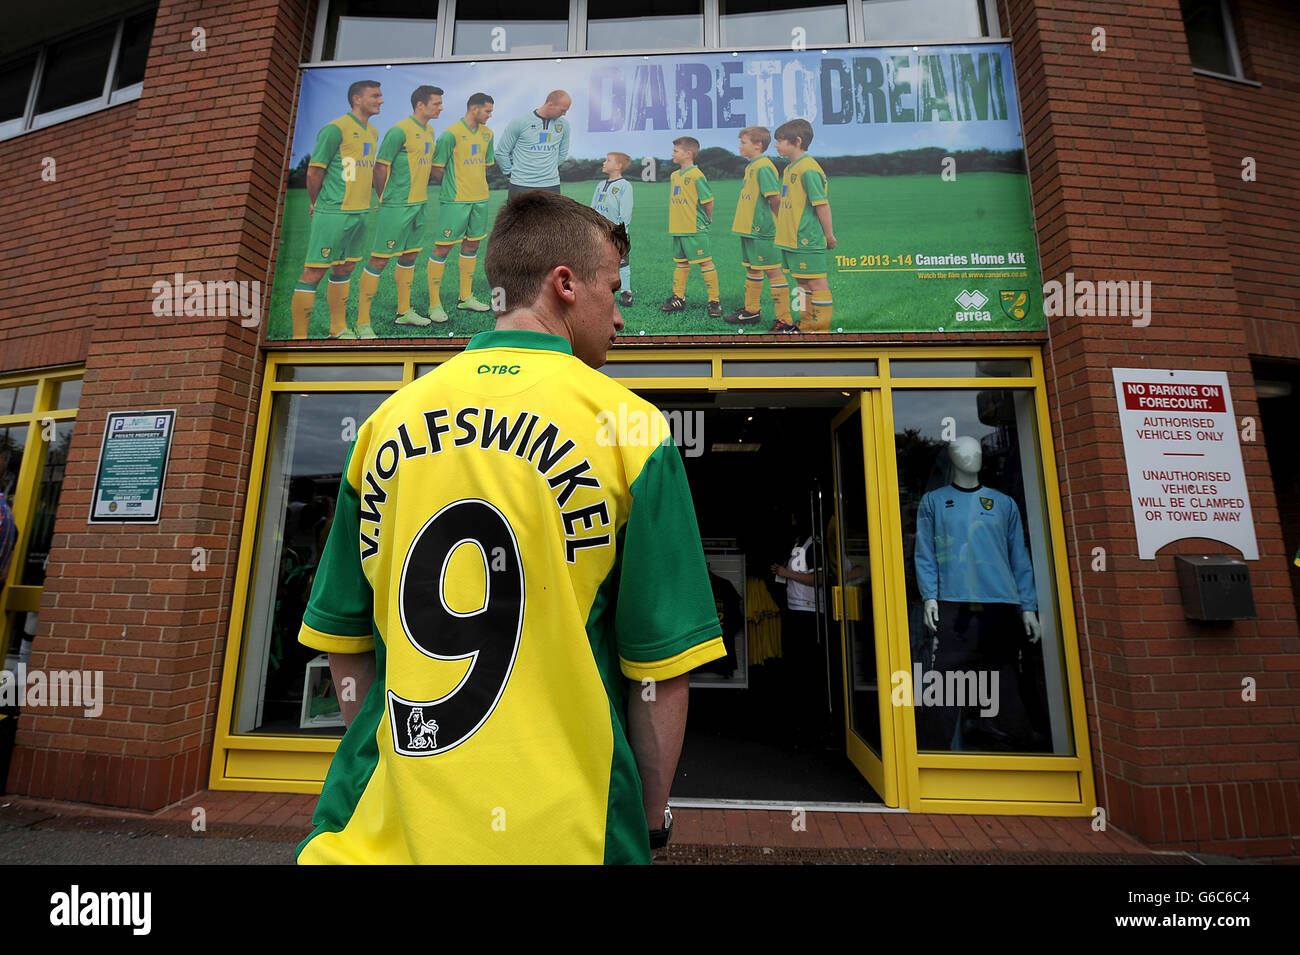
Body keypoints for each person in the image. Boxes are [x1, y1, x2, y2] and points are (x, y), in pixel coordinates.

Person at [295, 190, 725, 865]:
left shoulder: (385, 423)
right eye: (612, 287)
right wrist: (649, 819)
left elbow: (344, 641)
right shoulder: (631, 429)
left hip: (375, 840)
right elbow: (661, 671)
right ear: (563, 284)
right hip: (564, 838)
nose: (620, 311)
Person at [291, 80, 383, 340]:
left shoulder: (373, 132)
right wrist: (316, 202)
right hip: (334, 212)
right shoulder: (335, 129)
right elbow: (314, 170)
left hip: (361, 213)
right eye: (375, 95)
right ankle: (299, 339)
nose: (381, 100)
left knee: (344, 269)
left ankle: (338, 328)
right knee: (314, 270)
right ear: (357, 99)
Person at [355, 85, 444, 334]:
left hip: (420, 205)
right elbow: (380, 166)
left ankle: (404, 312)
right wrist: (385, 198)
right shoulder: (399, 131)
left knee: (410, 257)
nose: (441, 107)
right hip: (397, 205)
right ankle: (363, 323)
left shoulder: (429, 131)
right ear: (420, 105)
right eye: (436, 103)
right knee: (379, 259)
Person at [427, 92, 496, 324]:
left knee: (472, 245)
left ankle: (465, 297)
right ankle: (434, 304)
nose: (489, 115)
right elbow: (437, 169)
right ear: (474, 108)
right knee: (442, 249)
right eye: (487, 110)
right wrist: (453, 187)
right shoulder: (450, 135)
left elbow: (485, 167)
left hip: (480, 199)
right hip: (455, 201)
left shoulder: (488, 134)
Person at [773, 118, 836, 334]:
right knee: (802, 284)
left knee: (817, 283)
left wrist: (829, 235)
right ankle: (806, 326)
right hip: (791, 239)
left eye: (780, 141)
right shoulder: (790, 168)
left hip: (807, 237)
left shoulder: (809, 169)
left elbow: (822, 206)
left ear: (797, 141)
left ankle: (820, 331)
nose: (776, 145)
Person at [725, 126, 790, 328]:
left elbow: (774, 198)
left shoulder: (764, 166)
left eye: (743, 142)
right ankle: (751, 311)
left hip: (763, 231)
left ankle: (785, 320)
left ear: (758, 145)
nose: (740, 146)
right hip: (749, 230)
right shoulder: (752, 166)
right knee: (753, 269)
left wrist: (783, 225)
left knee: (773, 271)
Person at [660, 136, 722, 319]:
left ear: (688, 154)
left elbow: (708, 201)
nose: (673, 154)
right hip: (678, 228)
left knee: (705, 262)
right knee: (681, 263)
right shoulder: (674, 176)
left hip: (694, 227)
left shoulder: (696, 175)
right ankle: (678, 298)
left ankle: (714, 301)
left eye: (676, 151)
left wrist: (707, 219)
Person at [496, 90, 572, 200]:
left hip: (551, 185)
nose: (564, 114)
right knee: (519, 218)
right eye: (563, 110)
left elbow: (562, 153)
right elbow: (501, 152)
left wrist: (547, 170)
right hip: (521, 185)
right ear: (550, 105)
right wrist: (510, 174)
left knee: (551, 218)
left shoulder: (564, 125)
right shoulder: (520, 122)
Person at [590, 151, 634, 306]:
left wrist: (622, 232)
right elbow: (592, 208)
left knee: (621, 261)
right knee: (599, 261)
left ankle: (626, 293)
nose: (604, 163)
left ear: (618, 166)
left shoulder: (624, 186)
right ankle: (600, 291)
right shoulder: (600, 185)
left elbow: (626, 211)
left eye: (608, 160)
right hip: (599, 232)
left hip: (616, 232)